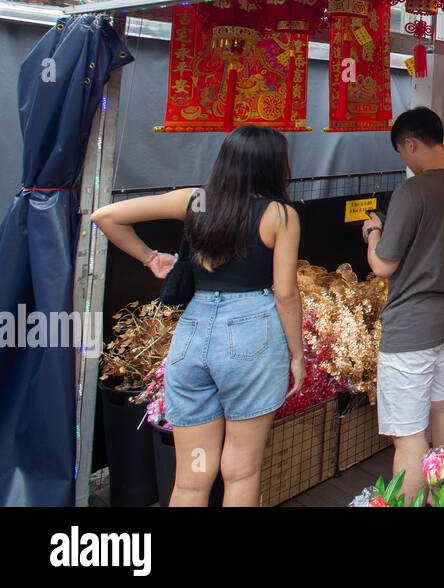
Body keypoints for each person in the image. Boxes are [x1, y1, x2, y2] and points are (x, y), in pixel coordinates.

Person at [91, 125, 303, 507]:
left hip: (192, 334)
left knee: (190, 479)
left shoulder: (197, 201)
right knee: (241, 472)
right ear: (273, 166)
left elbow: (105, 215)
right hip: (250, 337)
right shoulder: (279, 215)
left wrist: (151, 259)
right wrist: (297, 353)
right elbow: (286, 293)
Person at [363, 107, 444, 504]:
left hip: (412, 326)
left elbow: (383, 264)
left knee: (409, 435)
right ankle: (441, 495)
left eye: (402, 152)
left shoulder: (413, 191)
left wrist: (373, 231)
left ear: (410, 143)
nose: (405, 161)